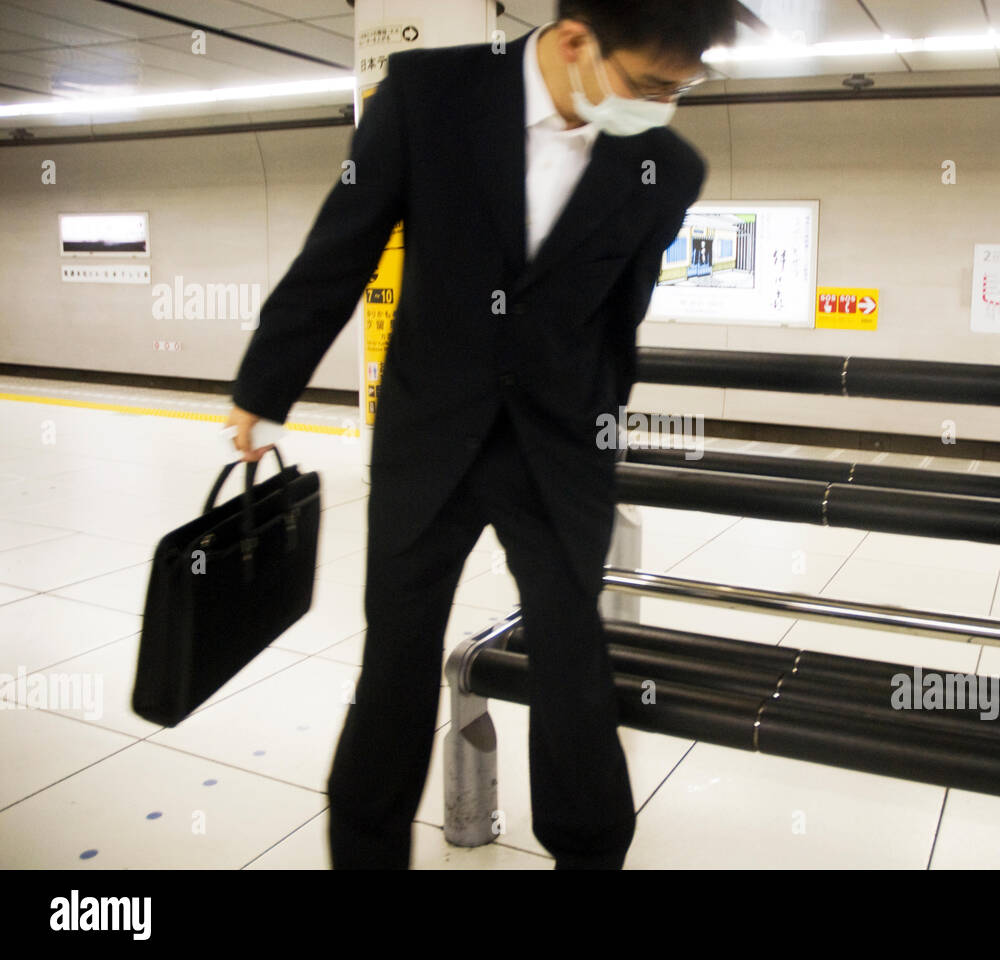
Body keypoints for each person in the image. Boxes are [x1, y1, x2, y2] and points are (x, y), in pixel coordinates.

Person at [223, 2, 737, 869]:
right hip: (432, 436)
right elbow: (342, 246)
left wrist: (595, 427)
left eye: (682, 87)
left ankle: (589, 851)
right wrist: (264, 387)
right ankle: (368, 851)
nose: (663, 106)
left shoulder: (666, 166)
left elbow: (622, 319)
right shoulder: (430, 95)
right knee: (394, 663)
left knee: (575, 665)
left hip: (559, 448)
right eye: (649, 84)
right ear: (576, 41)